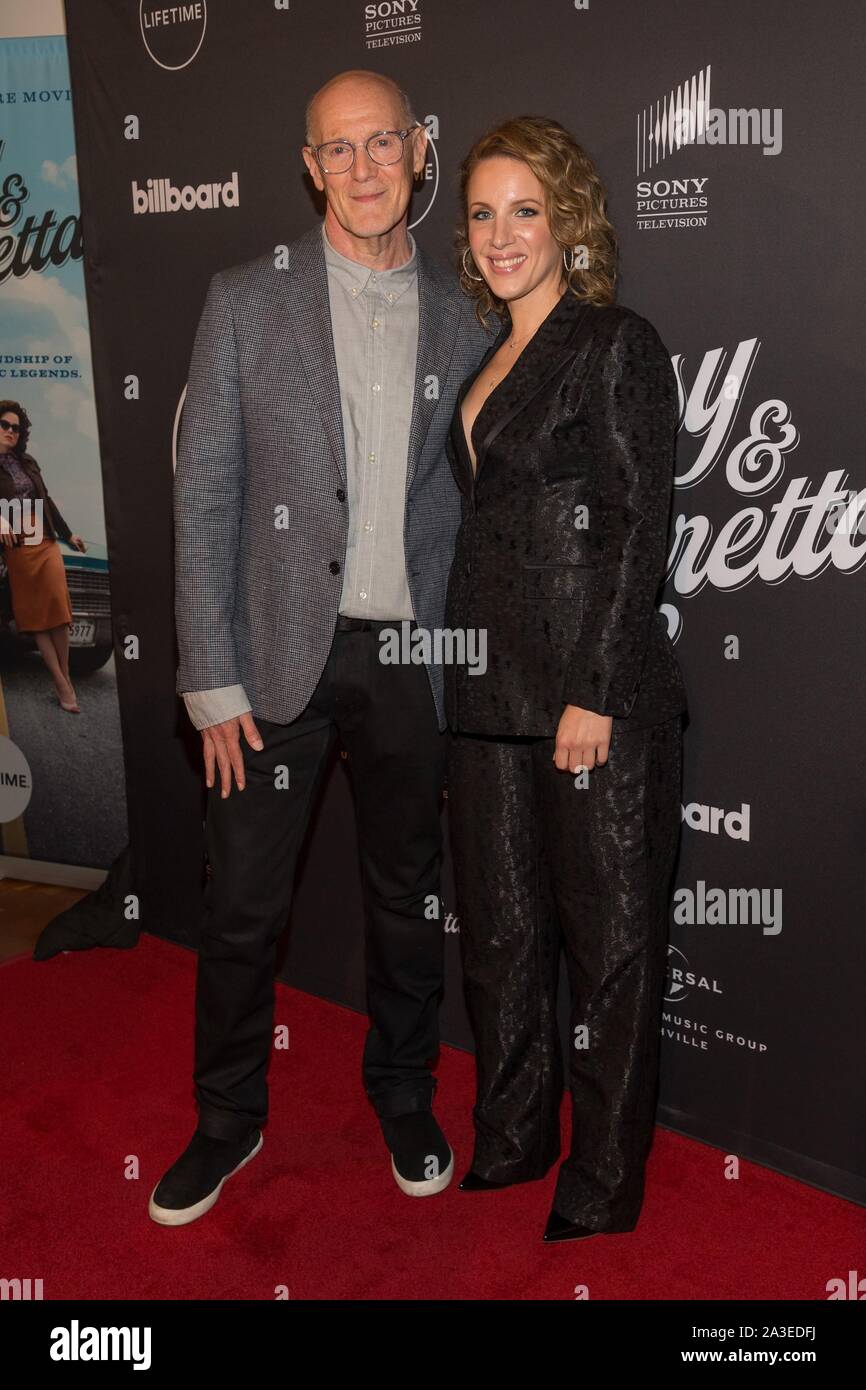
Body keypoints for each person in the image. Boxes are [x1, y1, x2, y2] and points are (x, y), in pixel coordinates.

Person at [154, 70, 491, 1226]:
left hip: (409, 658)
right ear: (308, 165)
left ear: (416, 148)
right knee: (243, 905)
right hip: (271, 663)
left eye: (381, 143)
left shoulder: (464, 315)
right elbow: (204, 500)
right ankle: (225, 1120)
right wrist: (209, 677)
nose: (362, 169)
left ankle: (403, 1092)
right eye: (337, 150)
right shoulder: (246, 299)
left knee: (408, 899)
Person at [443, 116, 688, 1242]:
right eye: (483, 211)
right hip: (484, 690)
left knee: (607, 942)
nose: (501, 233)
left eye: (524, 209)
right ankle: (511, 1131)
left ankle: (599, 1175)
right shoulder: (480, 357)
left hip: (591, 697)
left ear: (567, 220)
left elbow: (640, 524)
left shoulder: (613, 342)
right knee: (497, 934)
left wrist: (595, 688)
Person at [0, 402, 86, 713]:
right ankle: (62, 683)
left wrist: (68, 534)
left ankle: (64, 677)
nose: (11, 431)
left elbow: (45, 500)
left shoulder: (28, 461)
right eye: (4, 425)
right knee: (36, 617)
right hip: (19, 545)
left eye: (16, 427)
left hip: (45, 538)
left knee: (58, 612)